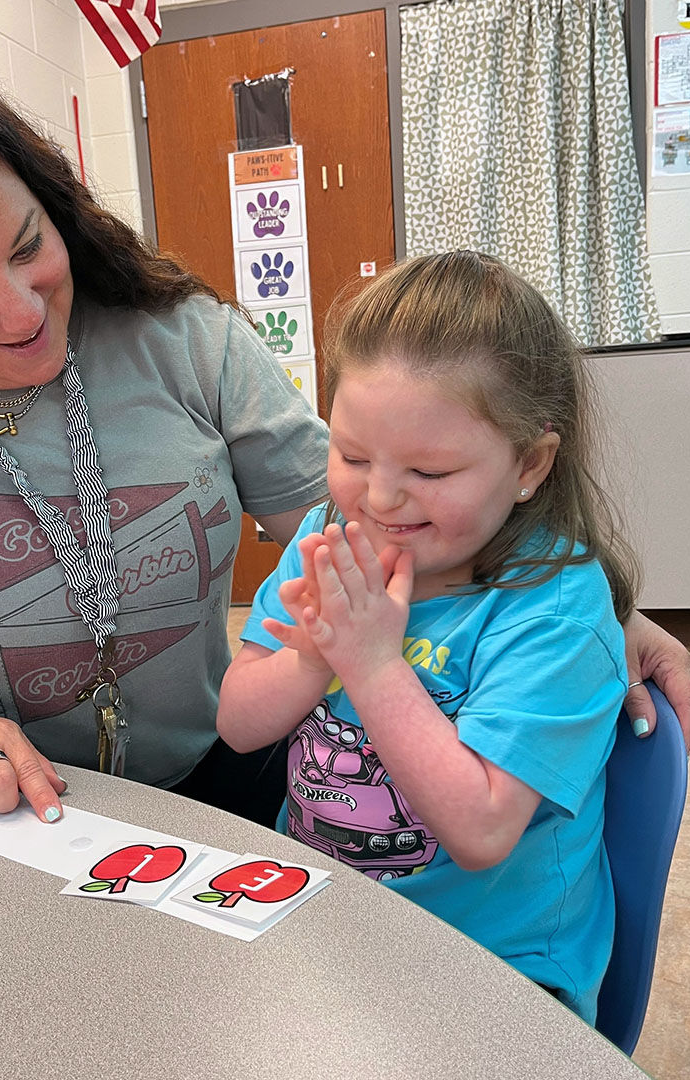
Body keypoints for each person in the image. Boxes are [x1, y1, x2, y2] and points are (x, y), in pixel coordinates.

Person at [0, 51, 690, 832]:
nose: (24, 311)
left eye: (30, 247)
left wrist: (586, 598)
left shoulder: (180, 337)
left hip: (221, 793)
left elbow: (369, 512)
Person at [217, 251, 649, 1022]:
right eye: (350, 455)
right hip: (326, 921)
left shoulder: (552, 610)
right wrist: (313, 653)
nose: (378, 497)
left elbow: (482, 827)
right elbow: (240, 725)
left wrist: (373, 665)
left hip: (491, 967)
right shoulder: (328, 537)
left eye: (431, 471)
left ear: (530, 463)